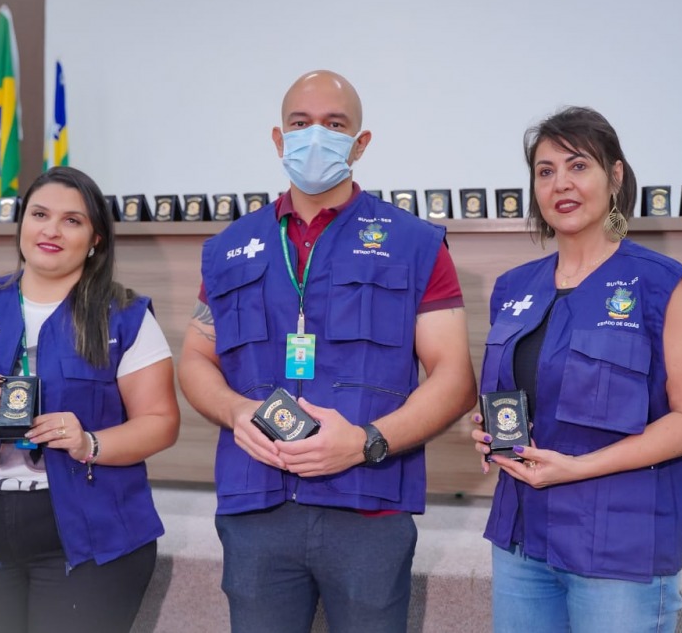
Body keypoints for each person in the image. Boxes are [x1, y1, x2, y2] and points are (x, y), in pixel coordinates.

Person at [178, 70, 476, 633]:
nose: (316, 136)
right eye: (301, 123)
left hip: (368, 506)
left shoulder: (414, 243)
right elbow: (196, 359)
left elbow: (454, 377)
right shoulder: (228, 250)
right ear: (278, 138)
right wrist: (236, 410)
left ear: (360, 144)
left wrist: (366, 443)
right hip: (257, 503)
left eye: (334, 125)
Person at [472, 107, 682, 633]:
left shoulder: (661, 286)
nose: (560, 183)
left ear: (614, 177)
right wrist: (489, 433)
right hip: (520, 538)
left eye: (578, 165)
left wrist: (577, 469)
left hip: (619, 549)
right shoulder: (513, 289)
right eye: (545, 171)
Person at [0, 166, 180, 633]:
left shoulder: (125, 315)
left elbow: (160, 421)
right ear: (22, 223)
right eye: (39, 214)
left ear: (96, 239)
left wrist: (89, 441)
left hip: (90, 530)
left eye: (72, 220)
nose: (51, 230)